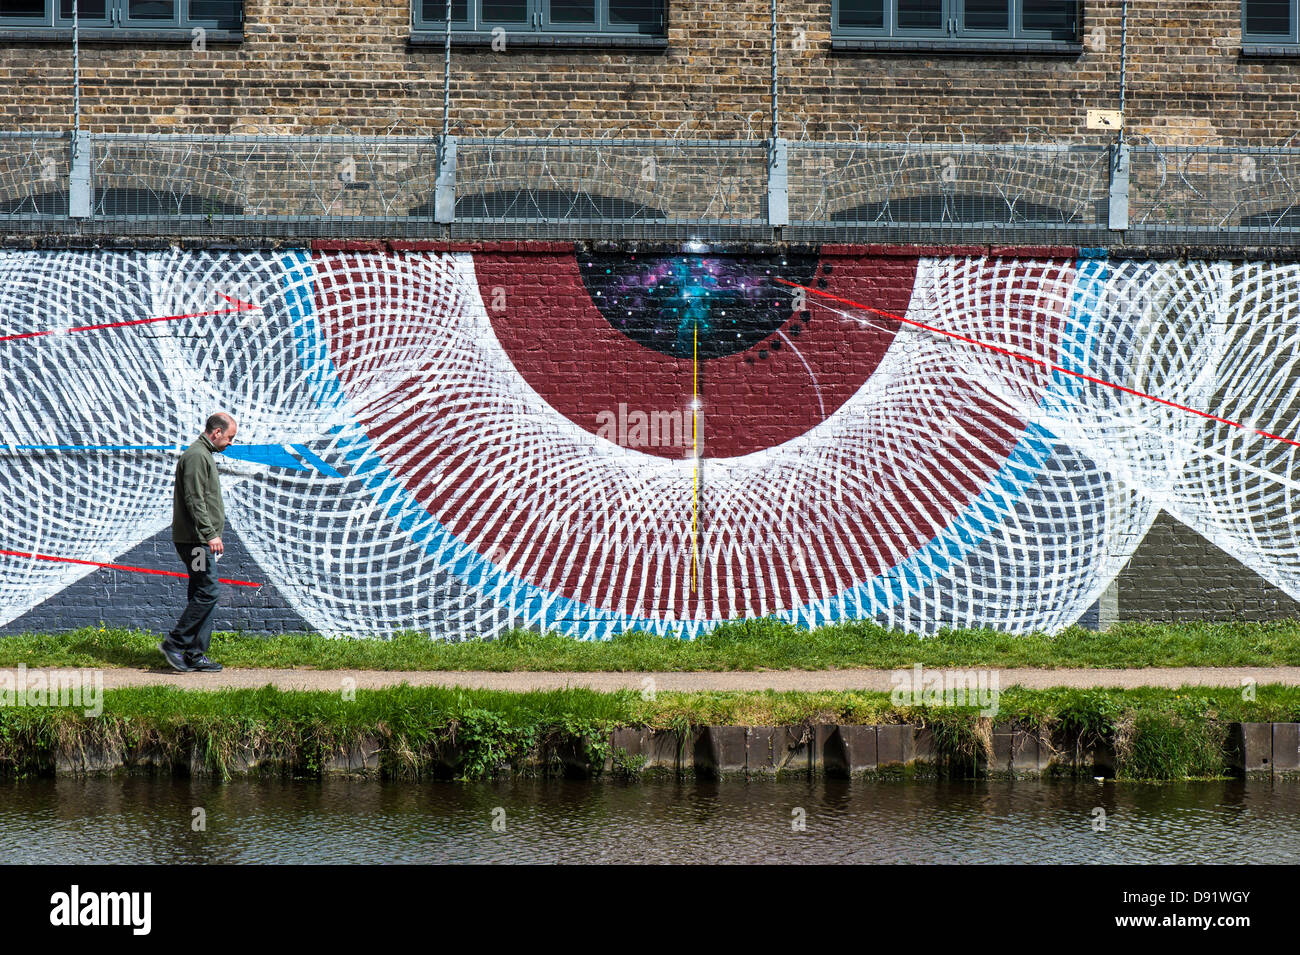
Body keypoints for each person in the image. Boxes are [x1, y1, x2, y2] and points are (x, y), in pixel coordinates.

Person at [158, 412, 237, 673]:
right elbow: (194, 499)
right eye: (229, 437)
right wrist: (210, 533)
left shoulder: (204, 456)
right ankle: (175, 644)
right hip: (196, 542)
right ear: (216, 432)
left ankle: (194, 654)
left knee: (201, 592)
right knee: (209, 590)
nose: (230, 443)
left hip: (200, 540)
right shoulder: (196, 456)